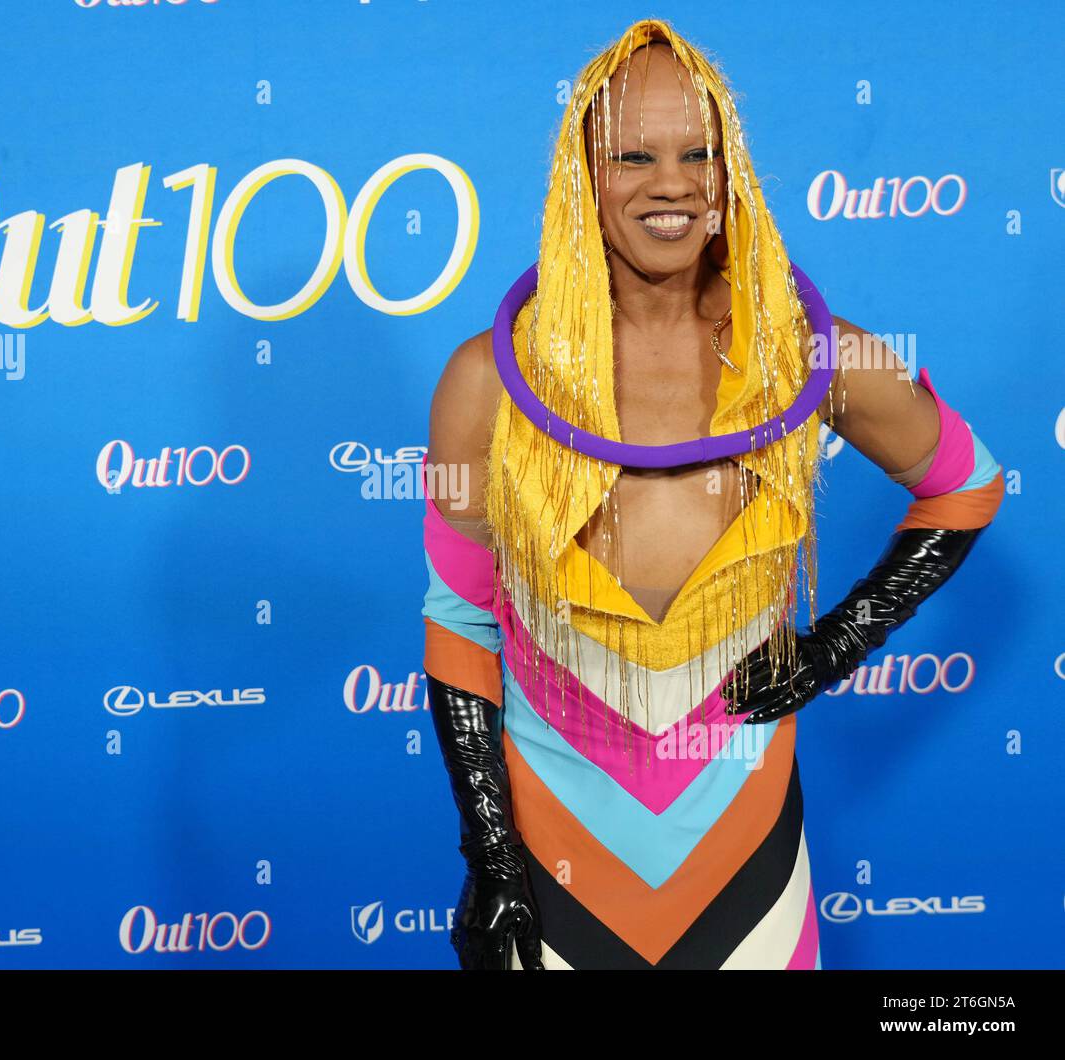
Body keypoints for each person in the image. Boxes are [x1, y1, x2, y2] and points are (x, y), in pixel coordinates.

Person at [419, 19, 1004, 970]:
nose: (674, 183)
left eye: (700, 154)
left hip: (750, 861)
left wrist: (833, 648)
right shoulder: (486, 381)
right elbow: (459, 626)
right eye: (635, 156)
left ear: (732, 178)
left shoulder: (810, 357)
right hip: (552, 869)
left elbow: (966, 485)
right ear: (584, 177)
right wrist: (489, 858)